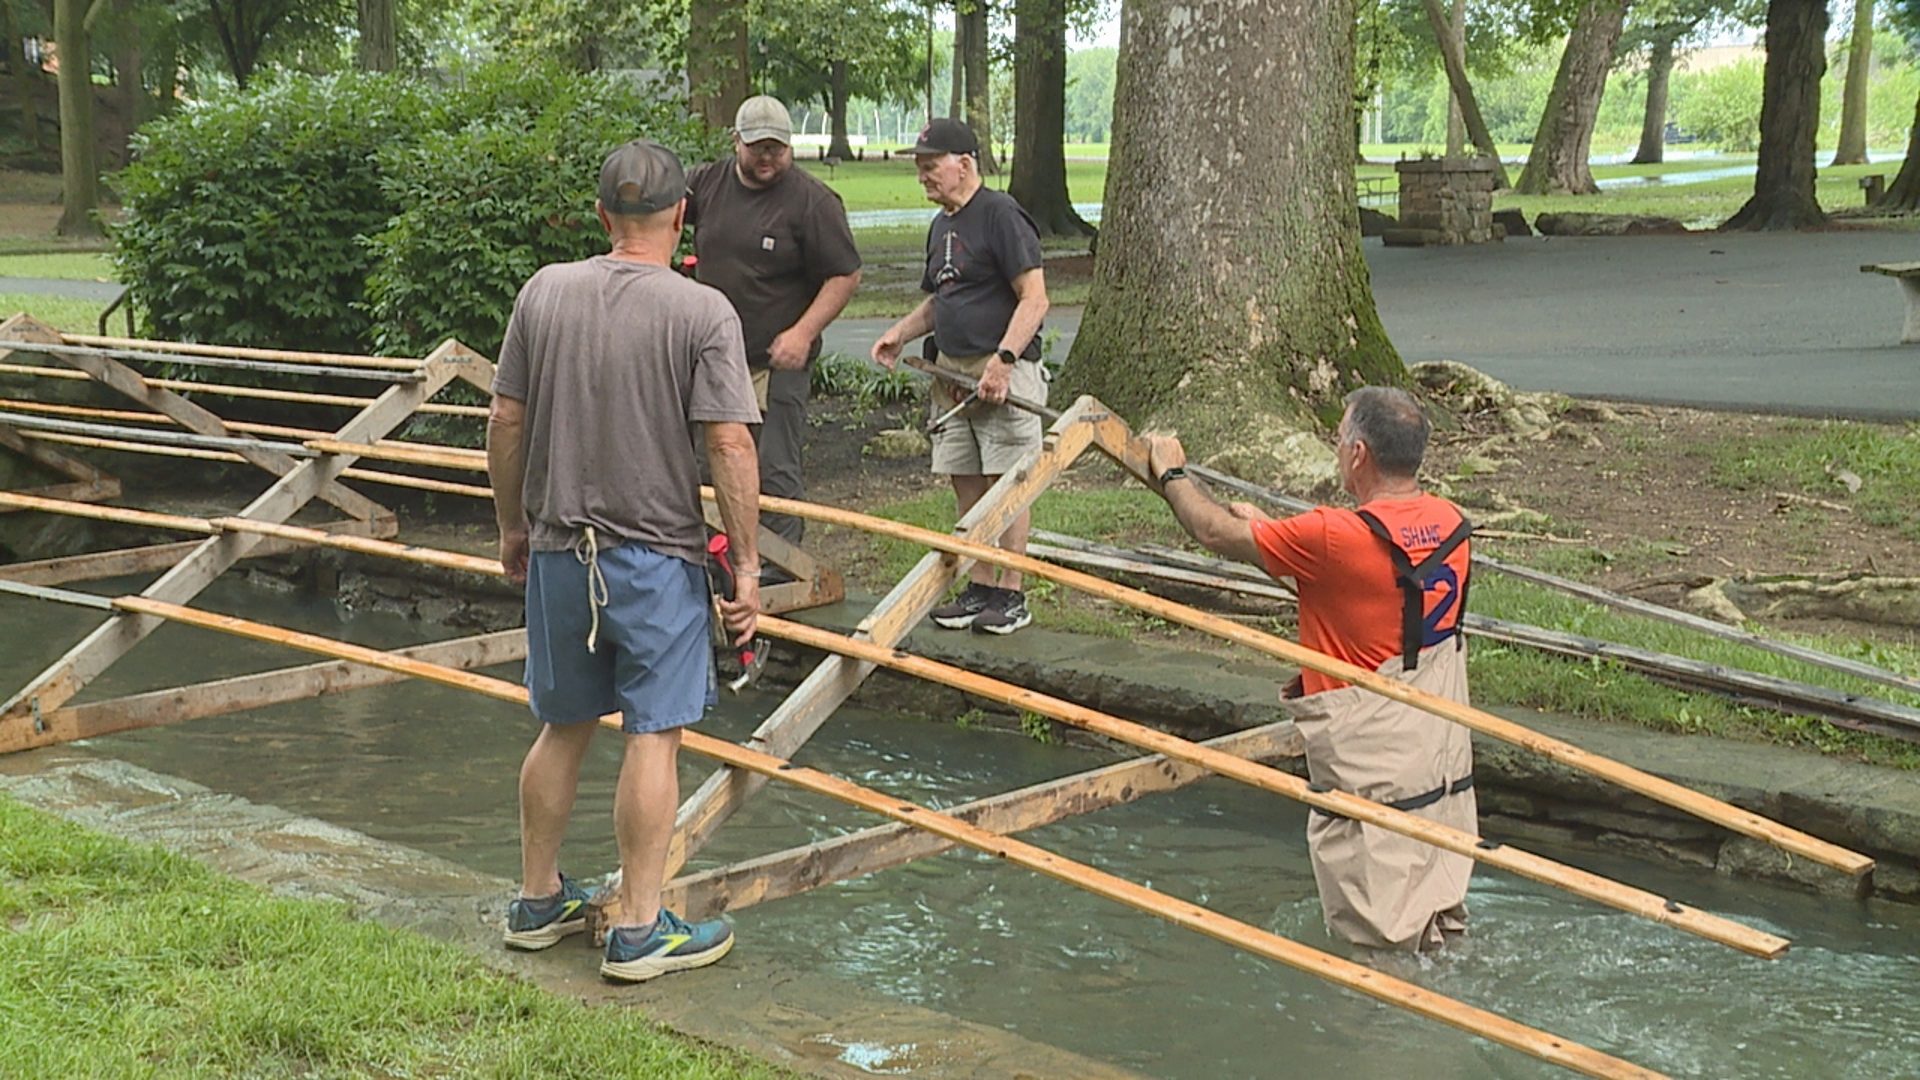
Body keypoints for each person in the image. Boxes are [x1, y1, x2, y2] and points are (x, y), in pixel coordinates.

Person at [487, 138, 764, 983]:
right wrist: (747, 566)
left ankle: (538, 903)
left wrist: (511, 528)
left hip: (561, 553)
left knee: (562, 726)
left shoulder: (545, 292)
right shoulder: (702, 310)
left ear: (604, 217)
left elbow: (504, 422)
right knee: (655, 733)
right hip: (655, 560)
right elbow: (727, 441)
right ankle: (640, 931)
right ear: (683, 217)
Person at [1142, 387, 1477, 952]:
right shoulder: (1451, 522)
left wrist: (1173, 473)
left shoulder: (1332, 537)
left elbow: (1213, 531)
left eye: (1341, 437)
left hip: (1370, 756)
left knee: (1375, 933)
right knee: (1431, 911)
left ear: (1359, 454)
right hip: (1435, 752)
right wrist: (1275, 532)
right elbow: (1367, 585)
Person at [871, 118, 1049, 635]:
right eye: (920, 168)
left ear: (965, 164)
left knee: (1008, 484)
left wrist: (1005, 359)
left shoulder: (1000, 215)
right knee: (966, 483)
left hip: (1001, 375)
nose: (923, 176)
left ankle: (1012, 595)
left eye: (931, 166)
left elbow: (1034, 298)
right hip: (950, 374)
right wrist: (901, 332)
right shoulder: (942, 225)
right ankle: (981, 584)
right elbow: (942, 297)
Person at [686, 95, 863, 550]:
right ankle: (709, 559)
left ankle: (780, 566)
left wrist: (803, 332)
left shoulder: (813, 201)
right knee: (707, 463)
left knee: (775, 466)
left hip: (780, 358)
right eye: (757, 147)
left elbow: (845, 274)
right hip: (716, 358)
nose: (767, 157)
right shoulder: (705, 184)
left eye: (777, 148)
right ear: (736, 143)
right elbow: (655, 213)